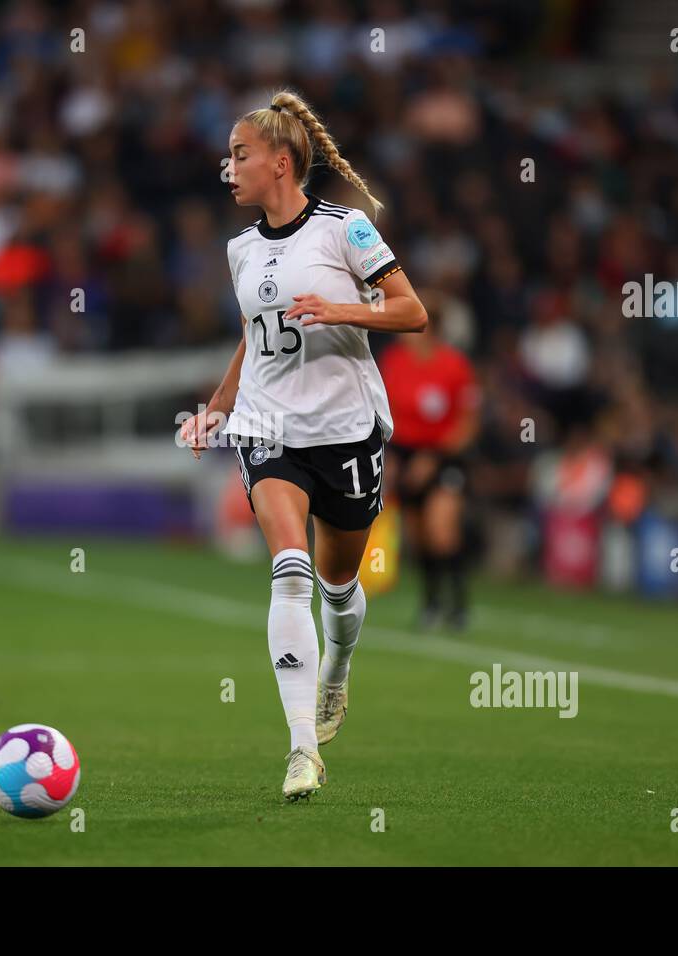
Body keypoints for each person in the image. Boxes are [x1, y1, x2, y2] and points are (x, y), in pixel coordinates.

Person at [179, 90, 427, 801]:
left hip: (345, 430)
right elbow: (253, 339)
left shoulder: (345, 231)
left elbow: (413, 309)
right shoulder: (239, 250)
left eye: (239, 155)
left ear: (280, 164)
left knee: (339, 586)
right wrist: (217, 410)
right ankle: (300, 752)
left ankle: (337, 672)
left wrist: (342, 308)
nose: (227, 168)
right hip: (269, 427)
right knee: (290, 567)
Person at [379, 313, 481, 629]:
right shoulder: (393, 361)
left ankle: (460, 605)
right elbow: (382, 410)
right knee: (418, 536)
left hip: (444, 456)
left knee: (441, 530)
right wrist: (389, 457)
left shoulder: (455, 366)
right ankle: (432, 603)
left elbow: (468, 422)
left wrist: (433, 457)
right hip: (404, 455)